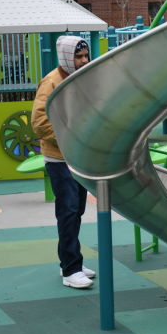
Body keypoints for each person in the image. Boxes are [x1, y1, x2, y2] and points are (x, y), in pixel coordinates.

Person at [31, 35, 95, 290]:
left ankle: (71, 261)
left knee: (76, 210)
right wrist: (70, 138)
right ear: (67, 57)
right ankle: (70, 269)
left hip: (75, 155)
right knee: (68, 211)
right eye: (78, 57)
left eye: (85, 56)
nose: (84, 60)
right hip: (59, 157)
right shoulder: (51, 82)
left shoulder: (78, 78)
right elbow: (39, 123)